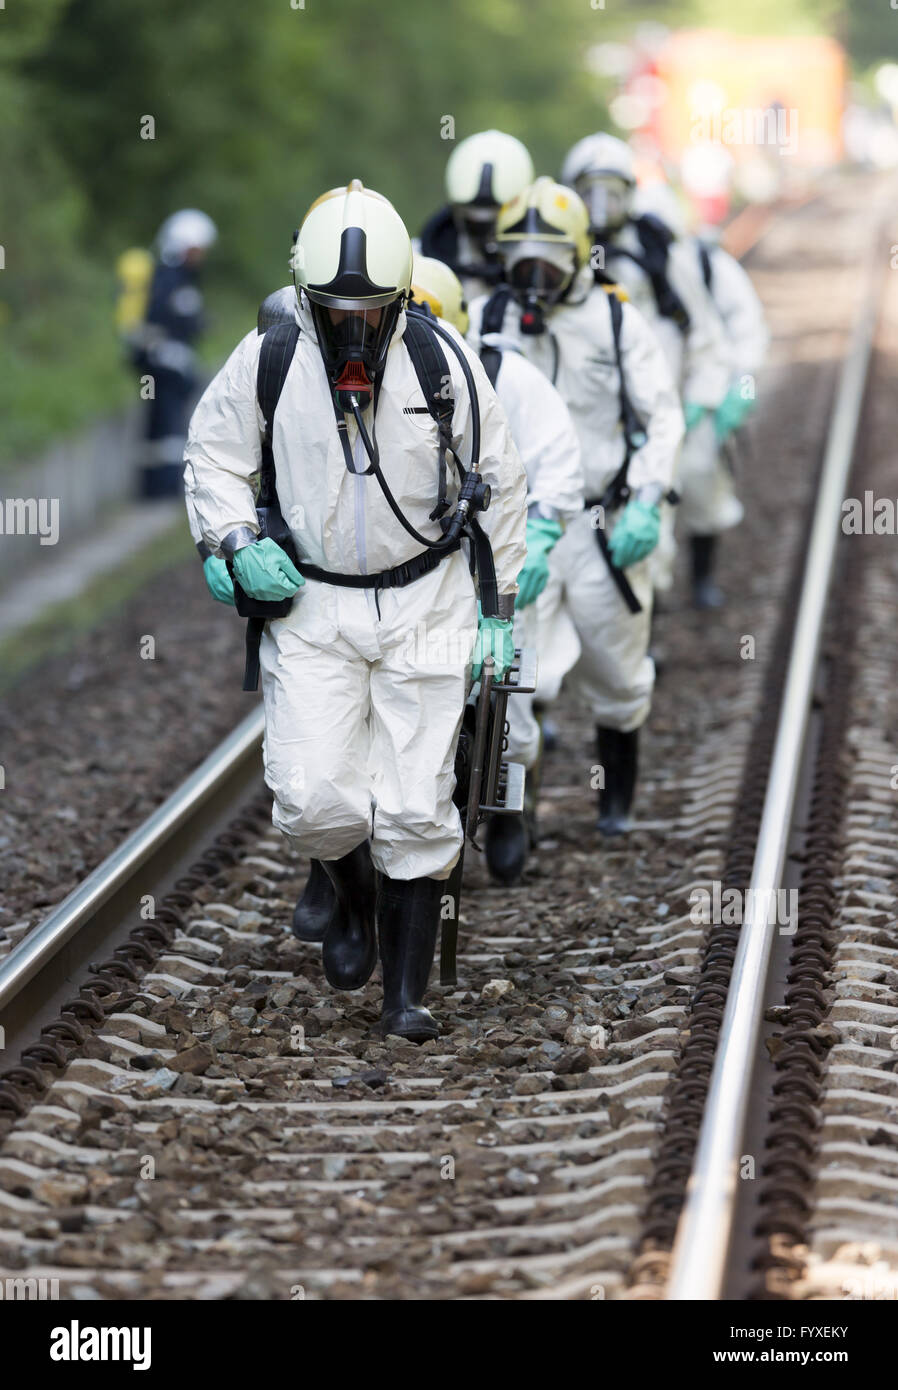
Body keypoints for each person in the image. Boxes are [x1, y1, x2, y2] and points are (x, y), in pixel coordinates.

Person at [184, 181, 527, 1040]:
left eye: (370, 311)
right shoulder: (267, 361)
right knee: (311, 799)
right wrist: (229, 541)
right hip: (312, 605)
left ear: (401, 299)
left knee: (416, 803)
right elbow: (213, 457)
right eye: (335, 310)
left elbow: (503, 489)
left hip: (428, 599)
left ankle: (403, 997)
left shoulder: (443, 365)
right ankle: (355, 904)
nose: (352, 329)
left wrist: (499, 608)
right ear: (306, 298)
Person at [468, 178, 683, 835]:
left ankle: (615, 793)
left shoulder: (615, 319)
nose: (536, 277)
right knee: (511, 676)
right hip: (516, 530)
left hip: (598, 527)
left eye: (550, 261)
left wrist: (647, 500)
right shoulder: (483, 323)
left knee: (615, 670)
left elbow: (662, 416)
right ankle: (512, 814)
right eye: (522, 260)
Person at [411, 253, 584, 882]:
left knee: (510, 715)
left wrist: (538, 536)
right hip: (415, 582)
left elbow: (560, 463)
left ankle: (511, 804)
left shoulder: (507, 378)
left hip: (499, 569)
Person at [560, 135, 731, 607]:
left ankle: (662, 615)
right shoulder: (561, 255)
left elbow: (704, 332)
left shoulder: (660, 254)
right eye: (587, 192)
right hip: (593, 418)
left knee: (666, 511)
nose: (599, 206)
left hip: (660, 410)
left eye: (610, 192)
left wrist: (699, 400)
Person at [633, 182, 769, 605]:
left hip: (702, 403)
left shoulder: (709, 265)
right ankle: (652, 594)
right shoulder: (627, 270)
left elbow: (749, 335)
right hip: (643, 412)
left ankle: (702, 579)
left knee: (703, 486)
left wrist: (738, 394)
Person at [132, 209, 218, 498]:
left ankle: (159, 487)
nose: (200, 257)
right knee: (165, 426)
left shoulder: (178, 279)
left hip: (167, 368)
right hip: (163, 368)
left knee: (163, 425)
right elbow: (168, 322)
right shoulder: (169, 280)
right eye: (196, 250)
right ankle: (161, 488)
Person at [419, 129, 534, 301]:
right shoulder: (421, 259)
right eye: (472, 218)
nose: (482, 226)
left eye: (495, 217)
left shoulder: (538, 260)